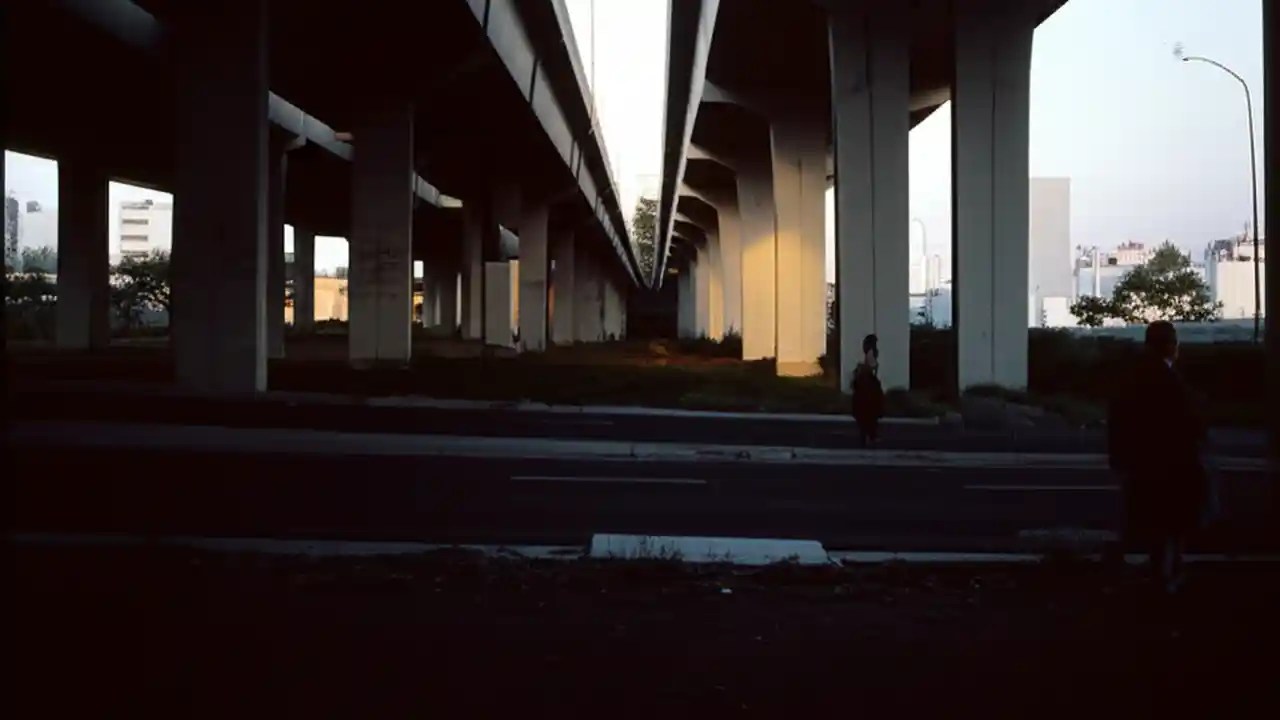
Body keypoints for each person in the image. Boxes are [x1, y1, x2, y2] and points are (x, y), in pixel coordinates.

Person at [1108, 321, 1208, 594]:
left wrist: (1119, 456)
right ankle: (1167, 576)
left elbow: (1118, 419)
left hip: (1143, 462)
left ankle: (1160, 573)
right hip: (1172, 463)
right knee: (1173, 521)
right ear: (1171, 346)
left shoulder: (1133, 377)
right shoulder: (1171, 380)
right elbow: (1188, 422)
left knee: (1152, 521)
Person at [851, 334, 885, 448]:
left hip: (864, 389)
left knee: (864, 415)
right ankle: (870, 436)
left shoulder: (867, 353)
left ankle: (866, 437)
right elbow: (872, 366)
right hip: (869, 389)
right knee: (870, 413)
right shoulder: (871, 353)